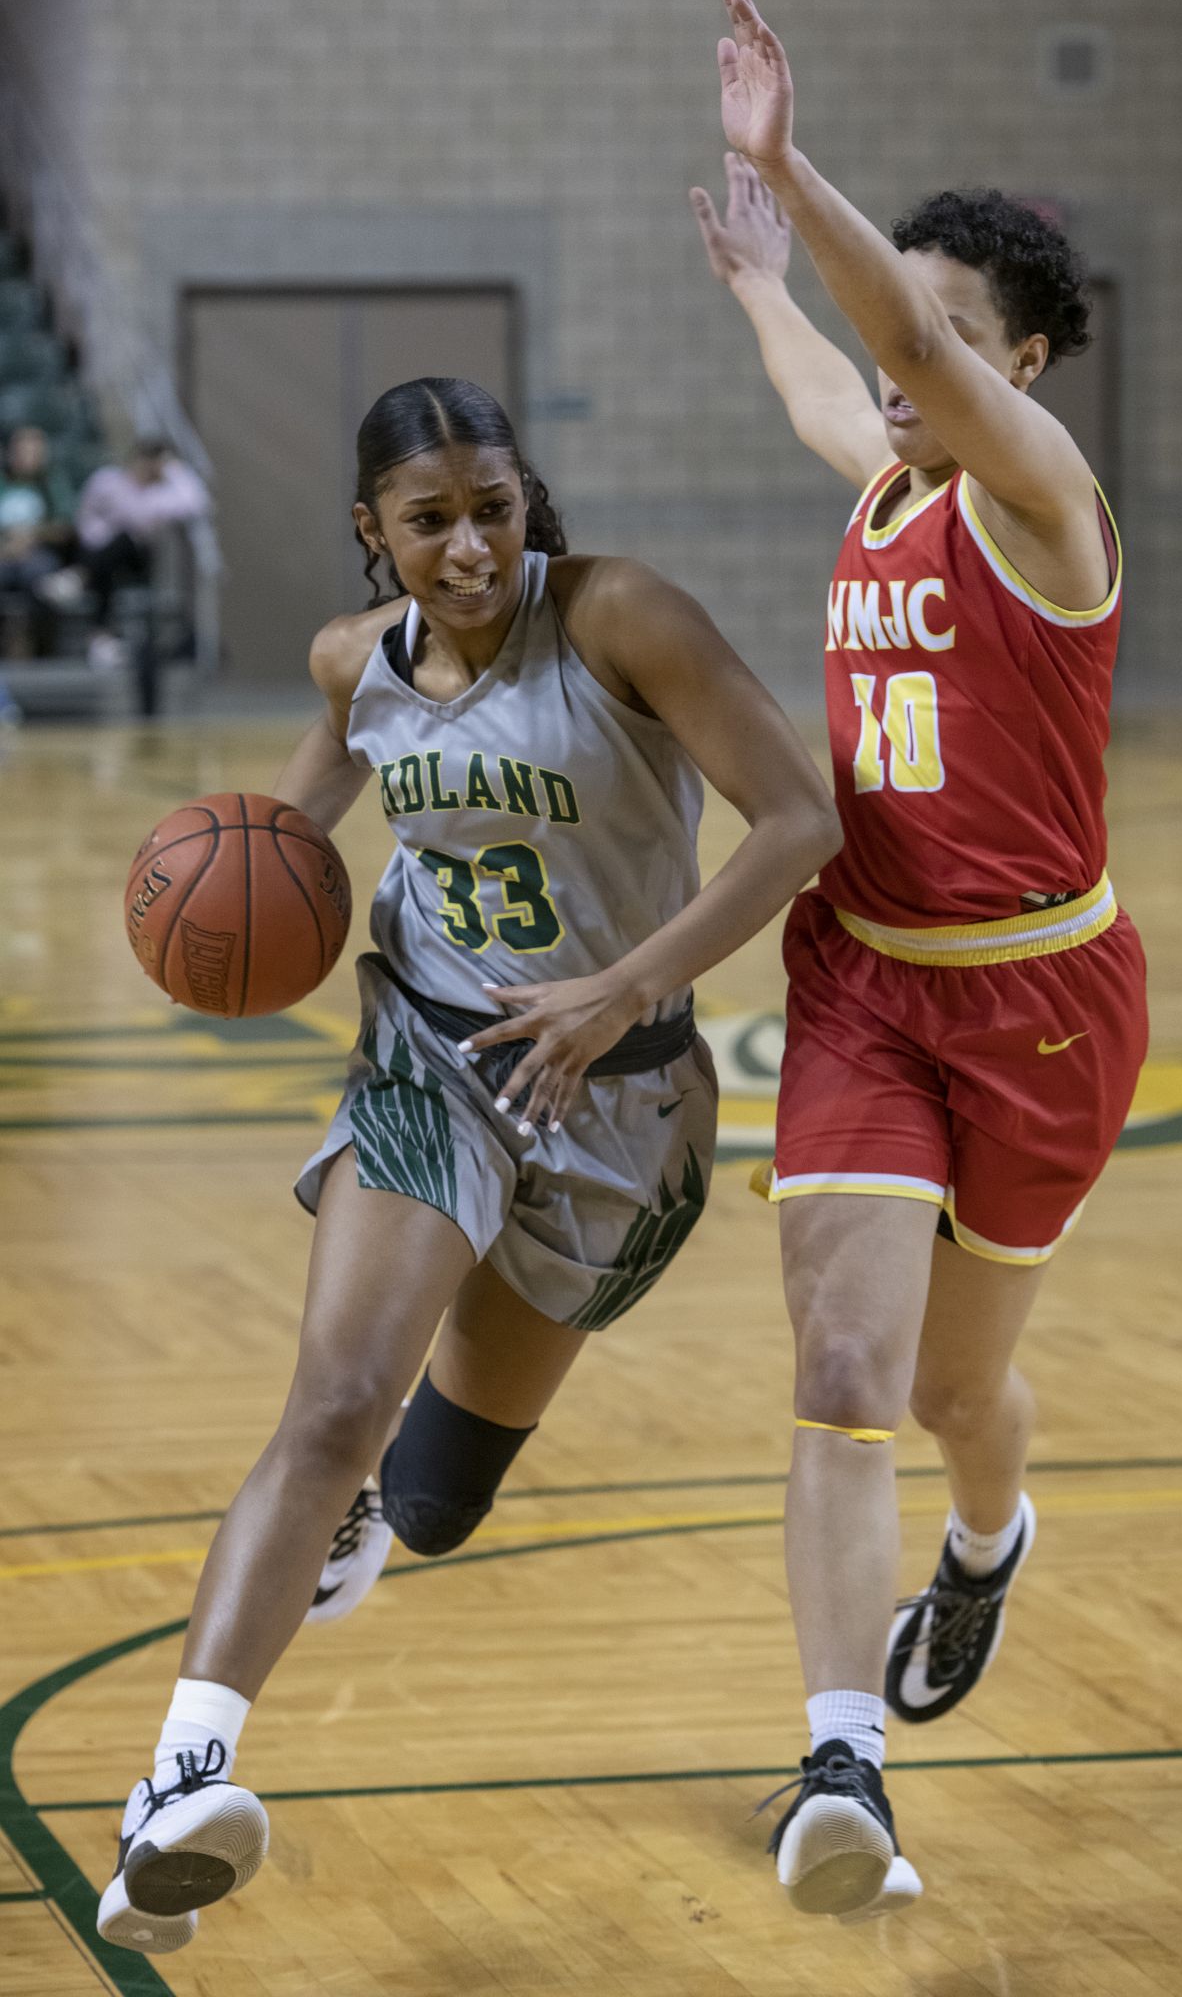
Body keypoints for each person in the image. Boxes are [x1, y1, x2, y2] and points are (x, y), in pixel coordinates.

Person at [98, 375, 841, 1956]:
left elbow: (795, 822)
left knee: (433, 1496)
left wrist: (623, 985)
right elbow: (280, 848)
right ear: (371, 532)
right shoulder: (349, 664)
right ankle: (177, 1784)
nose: (468, 548)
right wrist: (201, 901)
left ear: (525, 500)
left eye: (491, 509)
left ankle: (380, 1520)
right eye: (427, 522)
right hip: (431, 1061)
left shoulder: (623, 616)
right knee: (335, 1399)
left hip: (617, 1096)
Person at [688, 0, 1148, 1923]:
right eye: (912, 340)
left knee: (962, 1397)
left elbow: (887, 335)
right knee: (848, 1357)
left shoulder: (1044, 503)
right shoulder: (887, 473)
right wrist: (752, 286)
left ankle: (989, 1533)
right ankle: (838, 1763)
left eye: (952, 343)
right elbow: (832, 375)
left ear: (1022, 364)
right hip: (868, 973)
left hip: (1043, 1000)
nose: (907, 371)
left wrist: (790, 167)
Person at [41, 437, 210, 653]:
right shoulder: (106, 480)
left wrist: (174, 469)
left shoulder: (160, 496)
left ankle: (76, 579)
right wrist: (99, 541)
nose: (144, 467)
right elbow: (85, 515)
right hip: (95, 551)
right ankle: (99, 638)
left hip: (135, 558)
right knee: (105, 562)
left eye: (153, 463)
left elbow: (197, 502)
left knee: (125, 539)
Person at [0, 425, 75, 653]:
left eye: (35, 449)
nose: (29, 455)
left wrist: (30, 536)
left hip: (39, 554)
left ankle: (43, 649)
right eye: (23, 449)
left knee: (41, 578)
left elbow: (65, 527)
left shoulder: (52, 482)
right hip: (3, 554)